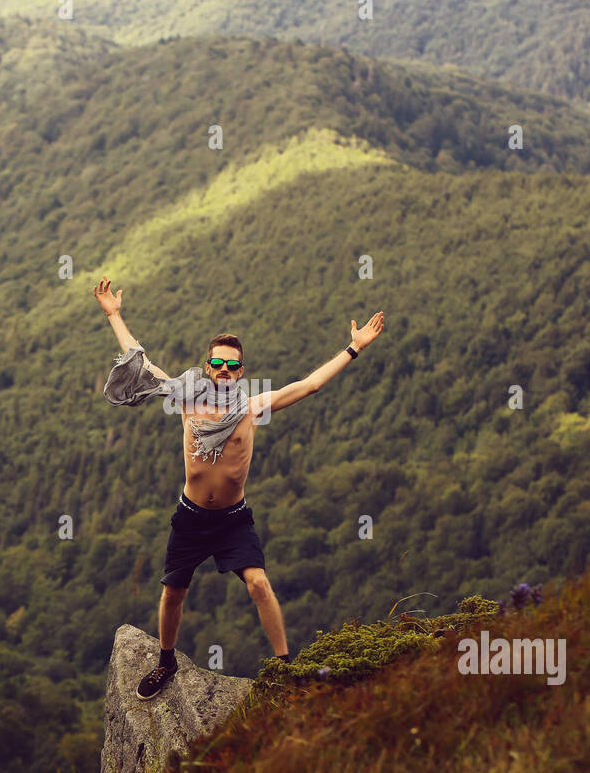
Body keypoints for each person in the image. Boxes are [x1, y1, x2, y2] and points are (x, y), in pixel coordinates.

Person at [94, 275, 385, 699]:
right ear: (207, 365)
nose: (224, 371)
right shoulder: (186, 398)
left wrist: (354, 347)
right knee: (173, 589)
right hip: (191, 516)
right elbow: (141, 362)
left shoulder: (252, 408)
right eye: (217, 364)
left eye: (232, 366)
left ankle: (285, 668)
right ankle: (166, 661)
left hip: (233, 519)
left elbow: (309, 385)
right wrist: (115, 316)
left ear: (241, 372)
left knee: (258, 583)